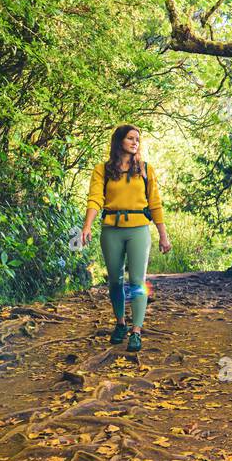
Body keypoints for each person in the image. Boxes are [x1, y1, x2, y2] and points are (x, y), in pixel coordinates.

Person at [80, 124, 172, 351]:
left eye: (137, 139)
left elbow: (155, 203)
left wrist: (163, 235)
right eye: (130, 138)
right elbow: (94, 199)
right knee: (115, 280)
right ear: (119, 140)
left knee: (137, 281)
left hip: (139, 229)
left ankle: (136, 331)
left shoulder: (145, 169)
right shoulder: (102, 170)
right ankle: (120, 323)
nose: (135, 142)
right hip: (111, 230)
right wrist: (87, 226)